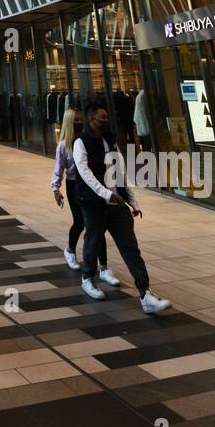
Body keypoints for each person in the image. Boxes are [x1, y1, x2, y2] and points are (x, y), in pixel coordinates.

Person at [73, 99, 169, 314]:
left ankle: (146, 294)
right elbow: (84, 172)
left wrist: (132, 200)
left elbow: (121, 171)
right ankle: (88, 277)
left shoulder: (110, 139)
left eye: (106, 117)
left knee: (130, 247)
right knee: (94, 240)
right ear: (91, 119)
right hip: (93, 203)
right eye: (102, 118)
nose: (106, 121)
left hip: (117, 203)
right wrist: (105, 193)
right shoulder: (81, 143)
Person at [51, 106, 119, 284]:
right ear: (69, 123)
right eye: (76, 121)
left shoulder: (87, 140)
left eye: (81, 120)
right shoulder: (64, 145)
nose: (80, 124)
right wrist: (55, 189)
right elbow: (58, 169)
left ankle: (103, 267)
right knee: (80, 222)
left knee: (96, 225)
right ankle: (70, 250)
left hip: (92, 184)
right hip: (74, 185)